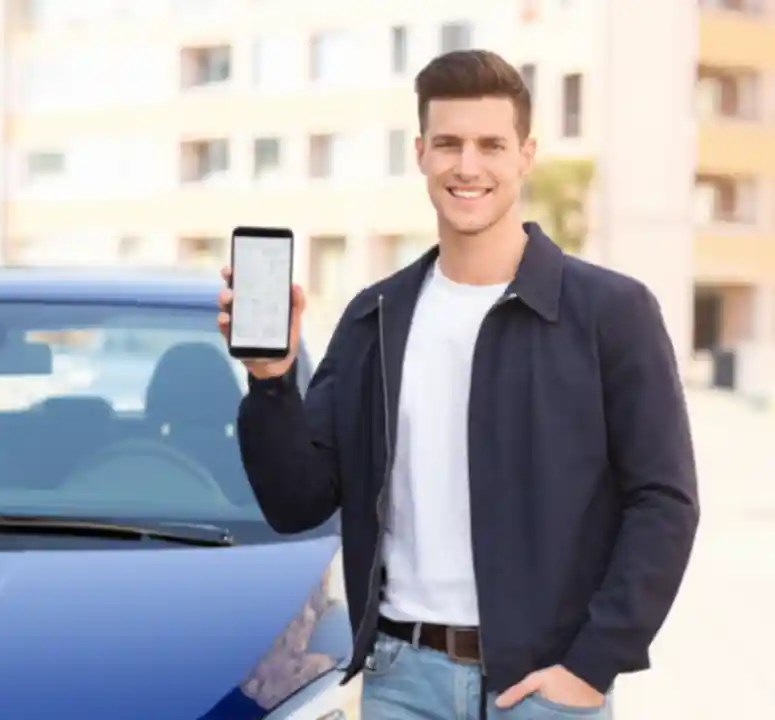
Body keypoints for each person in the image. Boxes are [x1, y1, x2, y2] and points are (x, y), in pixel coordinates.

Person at [219, 49, 699, 719]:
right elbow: (298, 500)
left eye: (490, 145)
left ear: (525, 154)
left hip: (545, 691)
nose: (467, 166)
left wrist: (593, 665)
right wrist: (271, 383)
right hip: (403, 681)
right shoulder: (374, 317)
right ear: (420, 152)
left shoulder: (609, 314)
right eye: (448, 143)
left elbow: (665, 501)